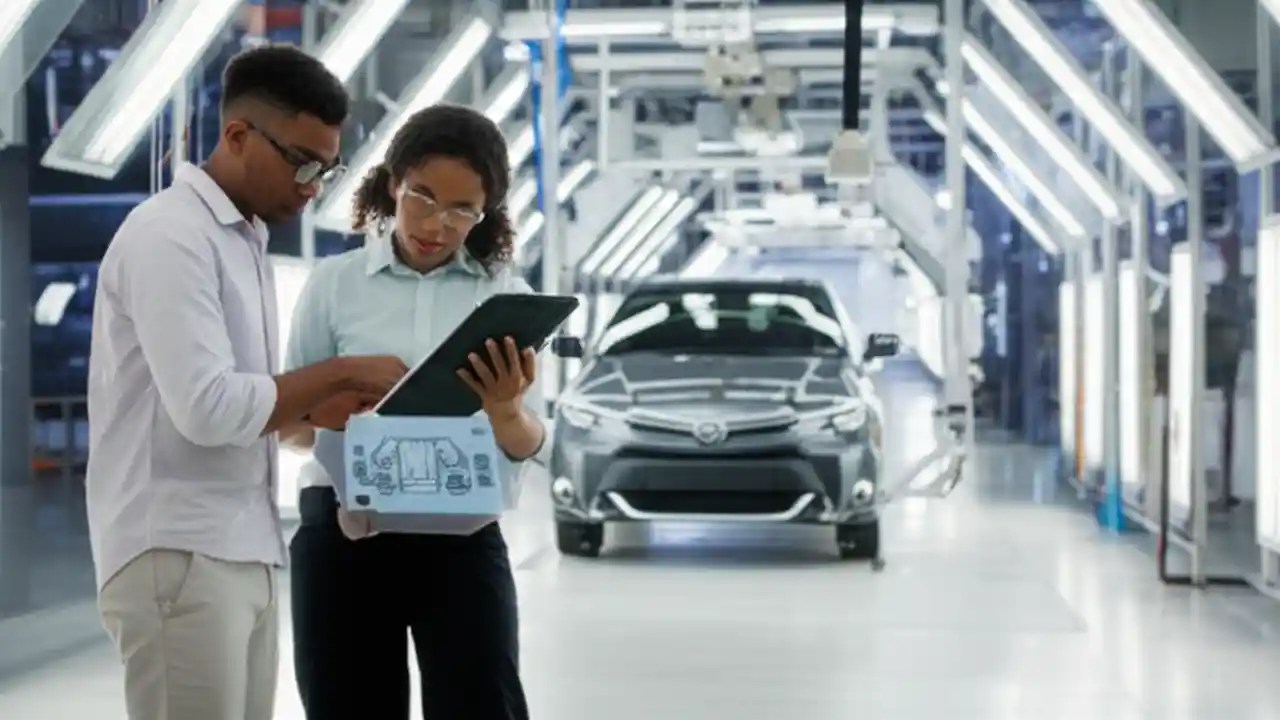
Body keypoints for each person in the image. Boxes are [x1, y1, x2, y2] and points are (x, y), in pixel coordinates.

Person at [86, 44, 409, 720]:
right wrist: (341, 370)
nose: (315, 184)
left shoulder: (241, 241)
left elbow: (249, 410)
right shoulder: (171, 236)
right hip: (178, 549)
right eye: (303, 162)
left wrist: (322, 412)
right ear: (237, 136)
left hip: (240, 547)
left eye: (328, 166)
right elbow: (208, 410)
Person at [283, 103, 545, 720]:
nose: (437, 223)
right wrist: (334, 413)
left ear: (486, 214)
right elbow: (290, 425)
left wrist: (505, 411)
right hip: (346, 535)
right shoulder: (334, 285)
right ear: (392, 183)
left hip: (463, 537)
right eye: (422, 198)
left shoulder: (505, 297)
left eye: (462, 210)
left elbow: (528, 442)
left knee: (482, 705)